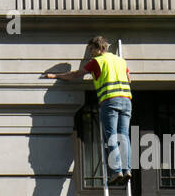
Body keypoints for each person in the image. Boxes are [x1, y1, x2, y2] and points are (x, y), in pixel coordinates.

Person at [46, 35, 133, 185]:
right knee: (124, 136)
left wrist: (55, 75)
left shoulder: (97, 62)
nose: (90, 53)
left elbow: (75, 75)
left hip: (110, 101)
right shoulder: (120, 60)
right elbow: (129, 79)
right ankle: (128, 170)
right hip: (126, 101)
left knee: (111, 136)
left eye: (91, 49)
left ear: (99, 48)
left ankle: (116, 171)